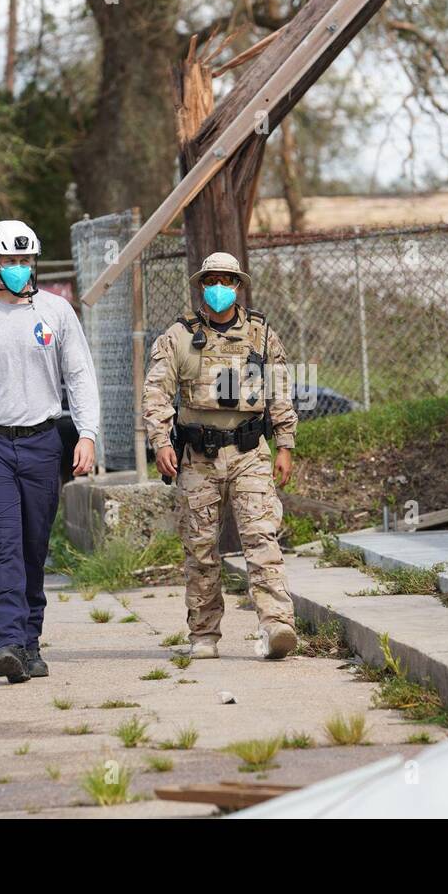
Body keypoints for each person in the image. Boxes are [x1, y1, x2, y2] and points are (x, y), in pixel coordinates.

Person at [0, 220, 101, 684]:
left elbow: (79, 375)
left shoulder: (56, 312)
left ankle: (30, 643)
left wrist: (87, 434)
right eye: (9, 260)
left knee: (34, 546)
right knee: (6, 542)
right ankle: (8, 643)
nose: (18, 268)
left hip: (42, 444)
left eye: (25, 260)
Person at [142, 251, 299, 660]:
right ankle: (204, 633)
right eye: (211, 280)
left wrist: (285, 444)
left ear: (238, 286)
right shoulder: (179, 336)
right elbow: (156, 392)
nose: (218, 287)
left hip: (249, 452)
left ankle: (277, 625)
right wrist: (161, 441)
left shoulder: (261, 334)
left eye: (226, 280)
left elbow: (280, 391)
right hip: (199, 457)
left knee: (261, 538)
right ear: (201, 286)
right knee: (200, 548)